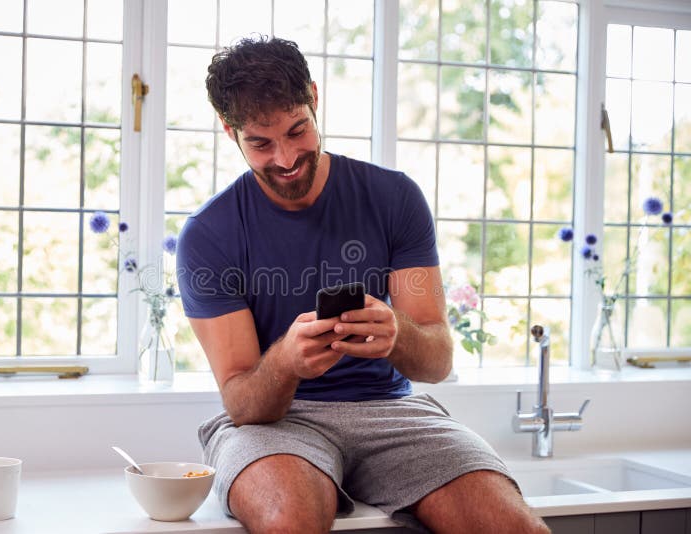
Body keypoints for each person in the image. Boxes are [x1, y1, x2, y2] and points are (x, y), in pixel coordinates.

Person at [176, 36, 548, 534]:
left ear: (314, 97)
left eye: (298, 130)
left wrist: (399, 333)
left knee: (512, 527)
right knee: (290, 519)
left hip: (392, 412)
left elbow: (437, 361)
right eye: (261, 144)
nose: (286, 158)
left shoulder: (394, 199)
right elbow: (243, 404)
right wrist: (287, 362)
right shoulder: (208, 235)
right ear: (230, 131)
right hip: (274, 426)